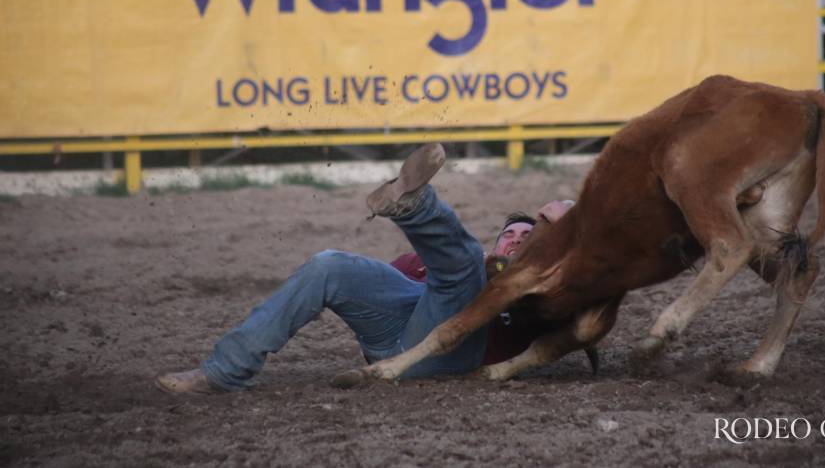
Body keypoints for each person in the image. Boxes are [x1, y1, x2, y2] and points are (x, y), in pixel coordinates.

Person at [156, 143, 574, 394]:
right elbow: (385, 292)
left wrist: (567, 224)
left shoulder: (542, 294)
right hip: (396, 341)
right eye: (511, 235)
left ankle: (416, 205)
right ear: (496, 241)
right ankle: (223, 372)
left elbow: (579, 293)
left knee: (463, 268)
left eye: (527, 236)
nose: (518, 238)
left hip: (453, 354)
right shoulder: (428, 264)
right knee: (330, 265)